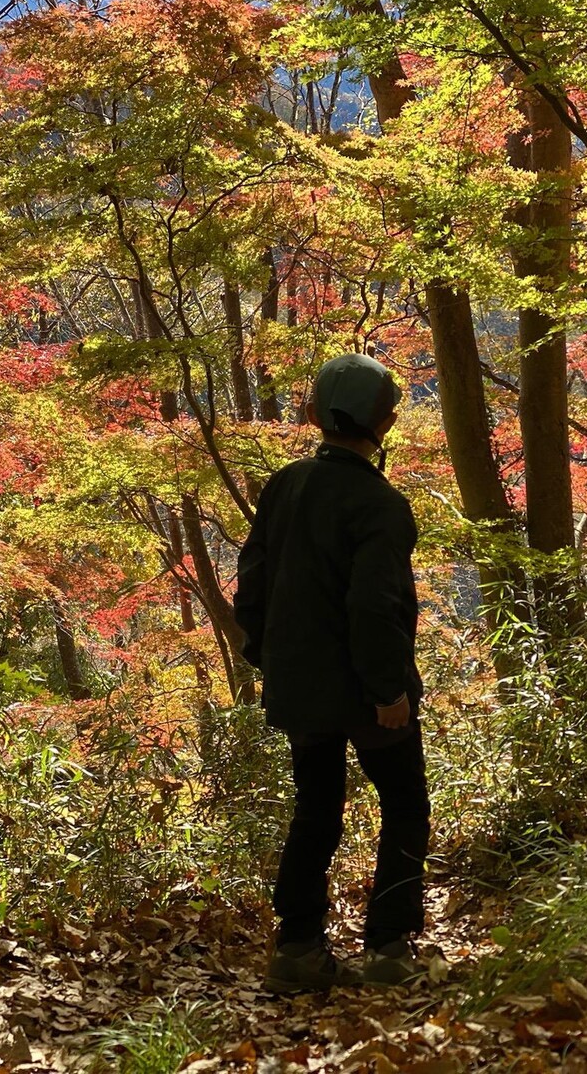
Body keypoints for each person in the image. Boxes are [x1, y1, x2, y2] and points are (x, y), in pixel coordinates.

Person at [233, 352, 429, 993]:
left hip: (302, 690)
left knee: (316, 810)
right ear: (386, 422)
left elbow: (252, 586)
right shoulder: (382, 504)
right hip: (371, 695)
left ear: (316, 414)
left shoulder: (284, 486)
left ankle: (297, 948)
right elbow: (375, 608)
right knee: (404, 803)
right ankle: (389, 949)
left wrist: (270, 662)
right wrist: (390, 691)